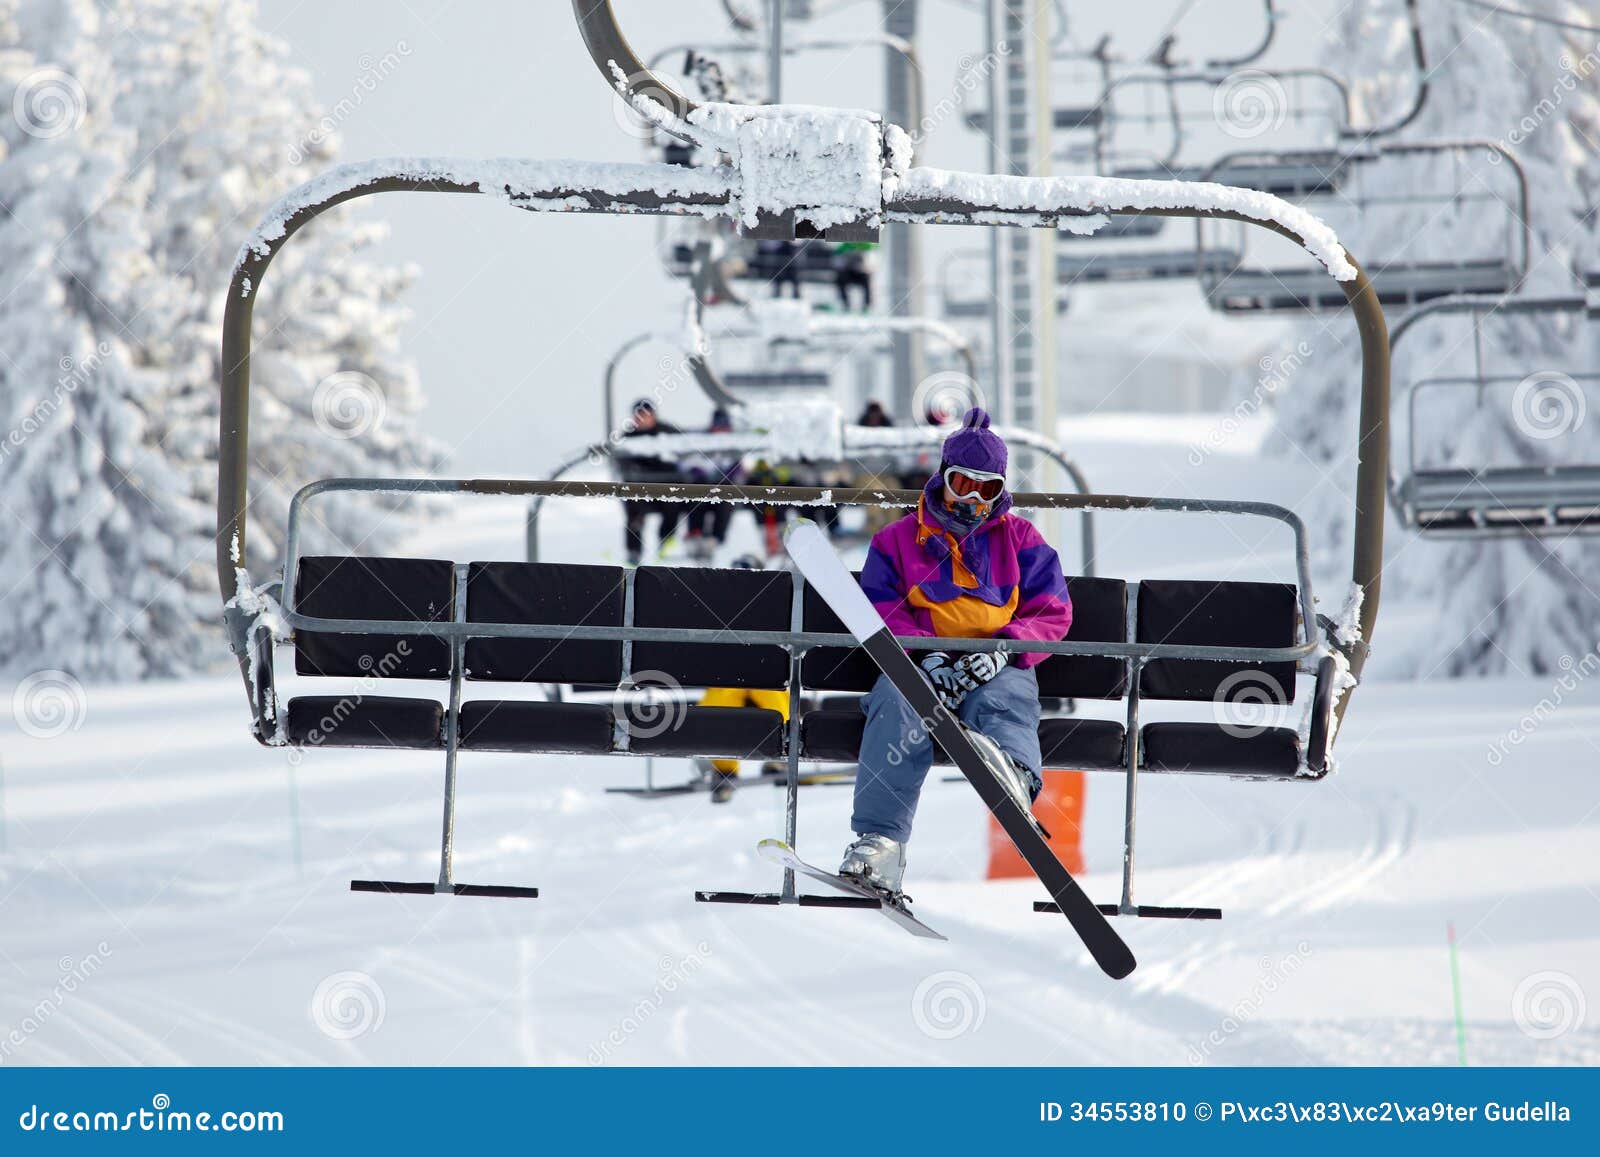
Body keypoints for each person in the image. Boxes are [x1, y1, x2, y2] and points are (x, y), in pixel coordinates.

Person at [838, 408, 1073, 894]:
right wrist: (926, 655)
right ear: (941, 477)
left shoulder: (1021, 540)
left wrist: (1006, 650)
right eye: (962, 483)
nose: (972, 498)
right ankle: (879, 844)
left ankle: (1012, 777)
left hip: (997, 663)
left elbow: (1052, 611)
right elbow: (883, 607)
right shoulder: (897, 541)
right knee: (898, 704)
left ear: (1000, 491)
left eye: (986, 488)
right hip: (922, 667)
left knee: (1005, 701)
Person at [695, 555, 789, 803]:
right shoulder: (714, 610)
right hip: (728, 677)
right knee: (720, 699)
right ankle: (724, 769)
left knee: (773, 695)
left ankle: (779, 756)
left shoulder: (774, 607)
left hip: (764, 677)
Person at [618, 399, 683, 566]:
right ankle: (634, 551)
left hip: (665, 488)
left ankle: (666, 543)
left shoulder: (668, 432)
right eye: (638, 415)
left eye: (645, 415)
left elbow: (679, 459)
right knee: (634, 511)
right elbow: (622, 464)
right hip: (639, 490)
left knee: (673, 503)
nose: (641, 419)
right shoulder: (627, 437)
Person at [684, 408, 743, 562]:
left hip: (723, 488)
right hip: (702, 485)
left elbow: (740, 466)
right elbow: (689, 461)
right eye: (718, 426)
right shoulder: (701, 440)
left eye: (724, 426)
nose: (720, 430)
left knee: (727, 498)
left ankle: (716, 539)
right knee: (697, 495)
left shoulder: (734, 443)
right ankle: (695, 535)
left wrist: (730, 473)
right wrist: (698, 471)